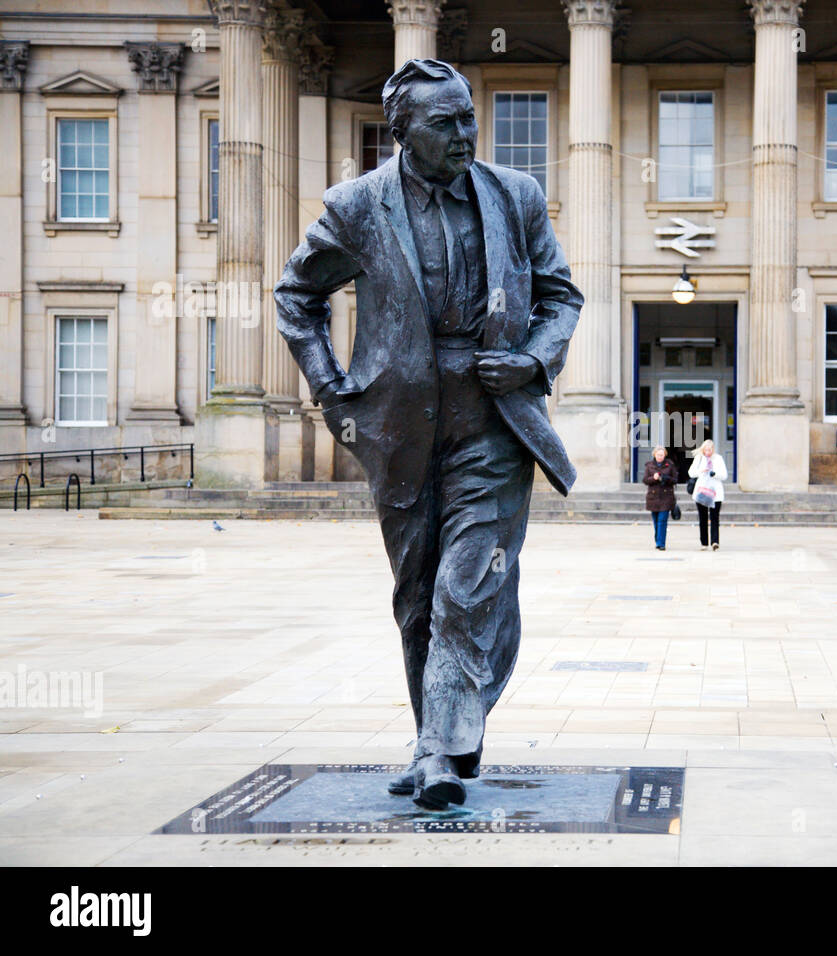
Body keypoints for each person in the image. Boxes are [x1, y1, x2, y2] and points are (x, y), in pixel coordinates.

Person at [275, 59, 582, 810]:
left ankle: (442, 749)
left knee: (463, 585)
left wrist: (534, 358)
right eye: (446, 122)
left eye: (468, 117)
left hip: (493, 423)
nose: (465, 134)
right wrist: (330, 387)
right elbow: (296, 297)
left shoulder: (516, 196)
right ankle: (436, 743)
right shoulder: (355, 207)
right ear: (402, 131)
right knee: (416, 597)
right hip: (398, 426)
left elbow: (560, 295)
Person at [688, 439, 727, 550]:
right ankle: (704, 543)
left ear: (713, 450)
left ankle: (715, 542)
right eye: (706, 450)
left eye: (710, 450)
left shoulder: (718, 459)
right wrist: (701, 471)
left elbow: (724, 475)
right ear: (703, 449)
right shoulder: (699, 458)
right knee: (703, 517)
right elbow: (691, 473)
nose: (708, 452)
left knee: (715, 517)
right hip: (702, 491)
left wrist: (715, 474)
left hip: (715, 493)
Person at [642, 445, 677, 550]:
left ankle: (661, 543)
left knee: (662, 521)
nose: (660, 457)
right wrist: (654, 478)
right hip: (653, 497)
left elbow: (675, 479)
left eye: (662, 455)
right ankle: (658, 539)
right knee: (656, 521)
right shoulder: (649, 466)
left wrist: (666, 478)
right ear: (654, 455)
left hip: (666, 496)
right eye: (658, 455)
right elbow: (645, 480)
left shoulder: (669, 465)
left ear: (665, 455)